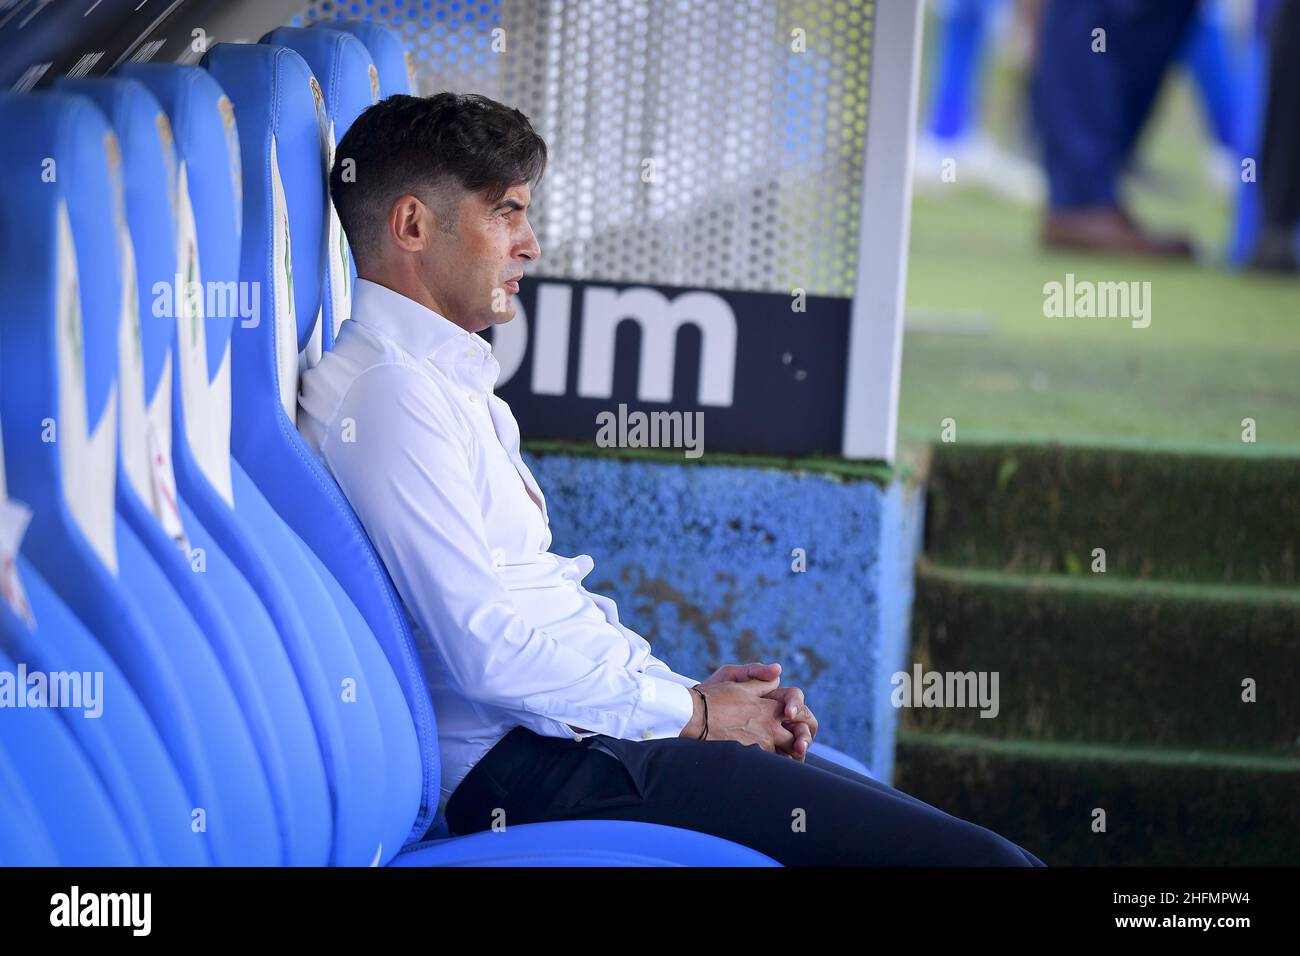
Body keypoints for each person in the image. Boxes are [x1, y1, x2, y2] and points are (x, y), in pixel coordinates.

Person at [299, 92, 1046, 866]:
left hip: (570, 743)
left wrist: (687, 693)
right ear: (413, 225)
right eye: (506, 213)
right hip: (525, 772)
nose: (530, 245)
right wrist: (691, 713)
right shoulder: (390, 397)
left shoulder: (443, 379)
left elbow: (539, 605)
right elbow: (488, 651)